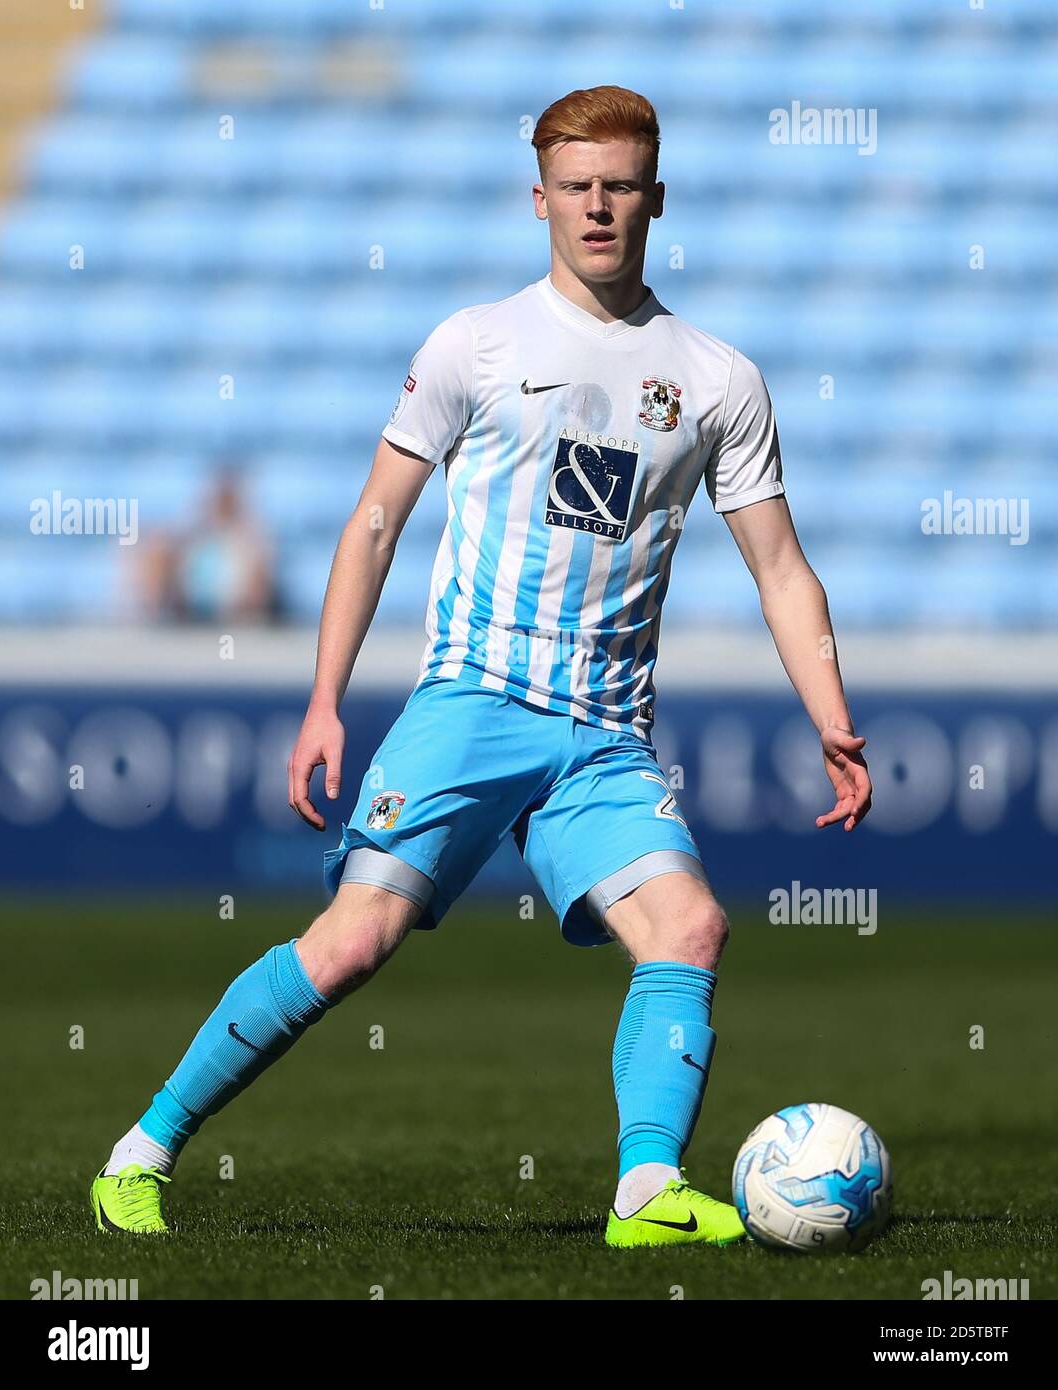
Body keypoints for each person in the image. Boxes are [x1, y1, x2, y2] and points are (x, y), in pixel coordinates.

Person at [91, 86, 871, 1247]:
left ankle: (646, 1195)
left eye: (619, 186)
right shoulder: (476, 344)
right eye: (576, 186)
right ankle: (140, 1152)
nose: (598, 207)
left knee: (690, 926)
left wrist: (832, 717)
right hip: (474, 703)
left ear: (657, 196)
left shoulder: (717, 379)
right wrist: (322, 701)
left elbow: (782, 569)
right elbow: (372, 522)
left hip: (606, 733)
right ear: (540, 196)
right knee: (354, 943)